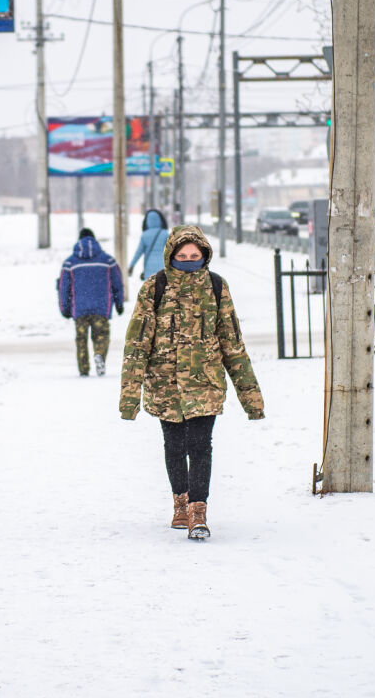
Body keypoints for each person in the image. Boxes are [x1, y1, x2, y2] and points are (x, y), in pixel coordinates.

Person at [119, 225, 264, 540]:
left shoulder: (216, 286)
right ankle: (180, 504)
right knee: (174, 446)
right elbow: (137, 344)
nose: (188, 261)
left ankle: (198, 511)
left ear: (204, 255)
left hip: (205, 383)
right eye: (182, 256)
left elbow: (232, 344)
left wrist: (251, 399)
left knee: (200, 446)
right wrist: (129, 397)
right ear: (171, 255)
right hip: (165, 385)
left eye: (194, 255)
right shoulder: (154, 287)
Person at [58, 227, 124, 377]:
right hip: (101, 307)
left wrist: (65, 308)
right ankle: (99, 353)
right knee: (101, 335)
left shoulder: (70, 263)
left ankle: (83, 369)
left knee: (81, 339)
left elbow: (63, 287)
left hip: (79, 308)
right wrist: (119, 303)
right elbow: (117, 283)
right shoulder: (107, 260)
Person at [128, 208, 169, 281]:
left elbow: (138, 253)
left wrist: (132, 265)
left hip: (148, 269)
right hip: (162, 267)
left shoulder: (145, 235)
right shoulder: (165, 234)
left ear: (147, 221)